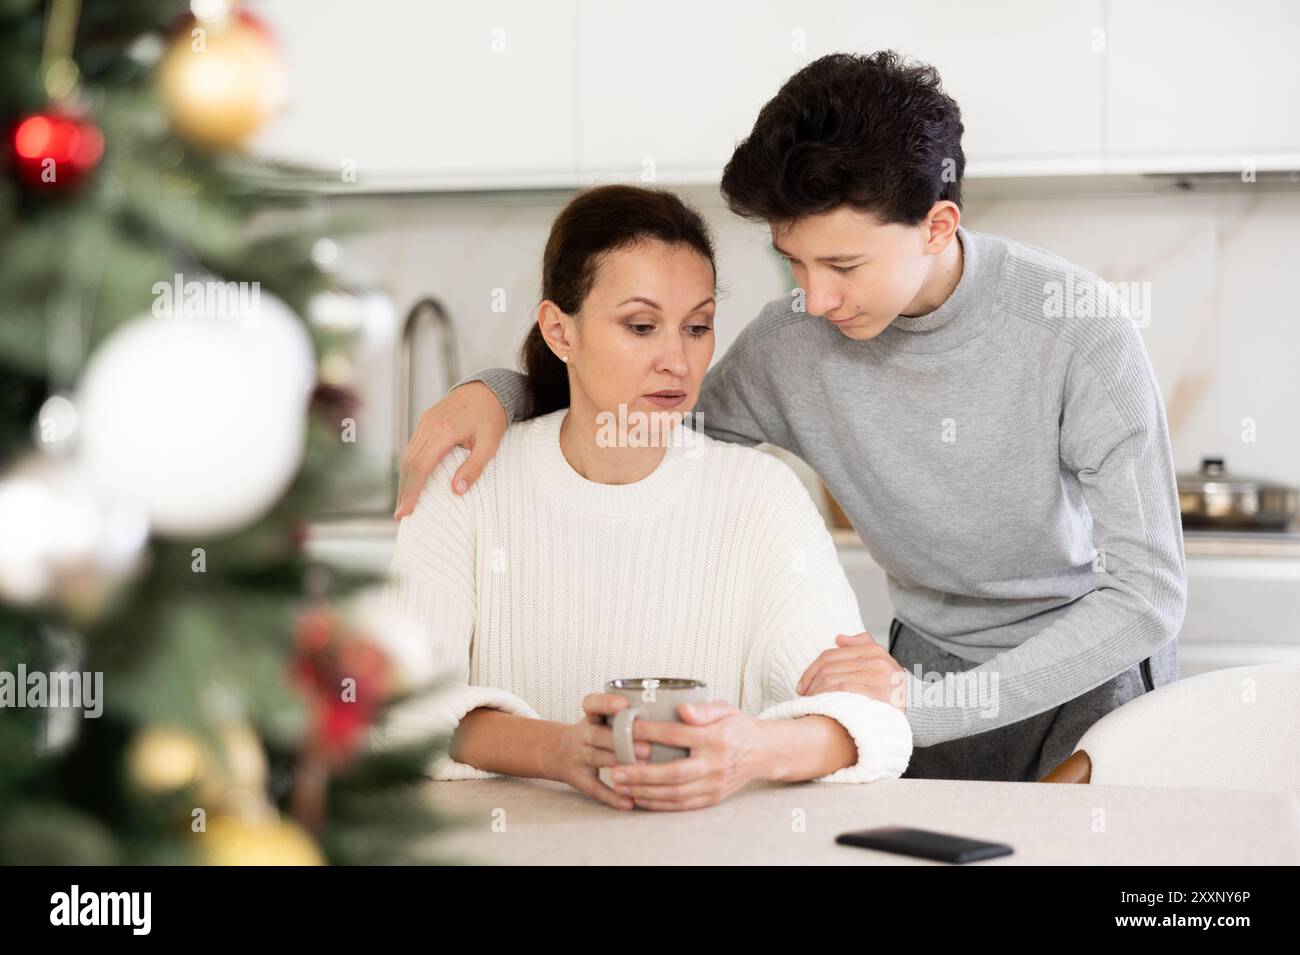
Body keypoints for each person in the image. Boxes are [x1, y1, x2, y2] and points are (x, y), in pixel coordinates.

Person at [393, 51, 1187, 783]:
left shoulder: (1076, 328)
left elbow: (1148, 594)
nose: (816, 297)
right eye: (794, 261)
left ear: (938, 226)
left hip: (1084, 675)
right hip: (915, 667)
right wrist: (503, 391)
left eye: (842, 265)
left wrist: (913, 709)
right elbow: (654, 419)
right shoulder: (794, 342)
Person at [379, 184, 912, 811]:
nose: (677, 361)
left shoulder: (760, 495)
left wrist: (750, 752)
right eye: (641, 326)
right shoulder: (468, 483)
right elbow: (397, 709)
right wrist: (556, 751)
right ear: (560, 331)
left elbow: (869, 722)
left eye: (697, 327)